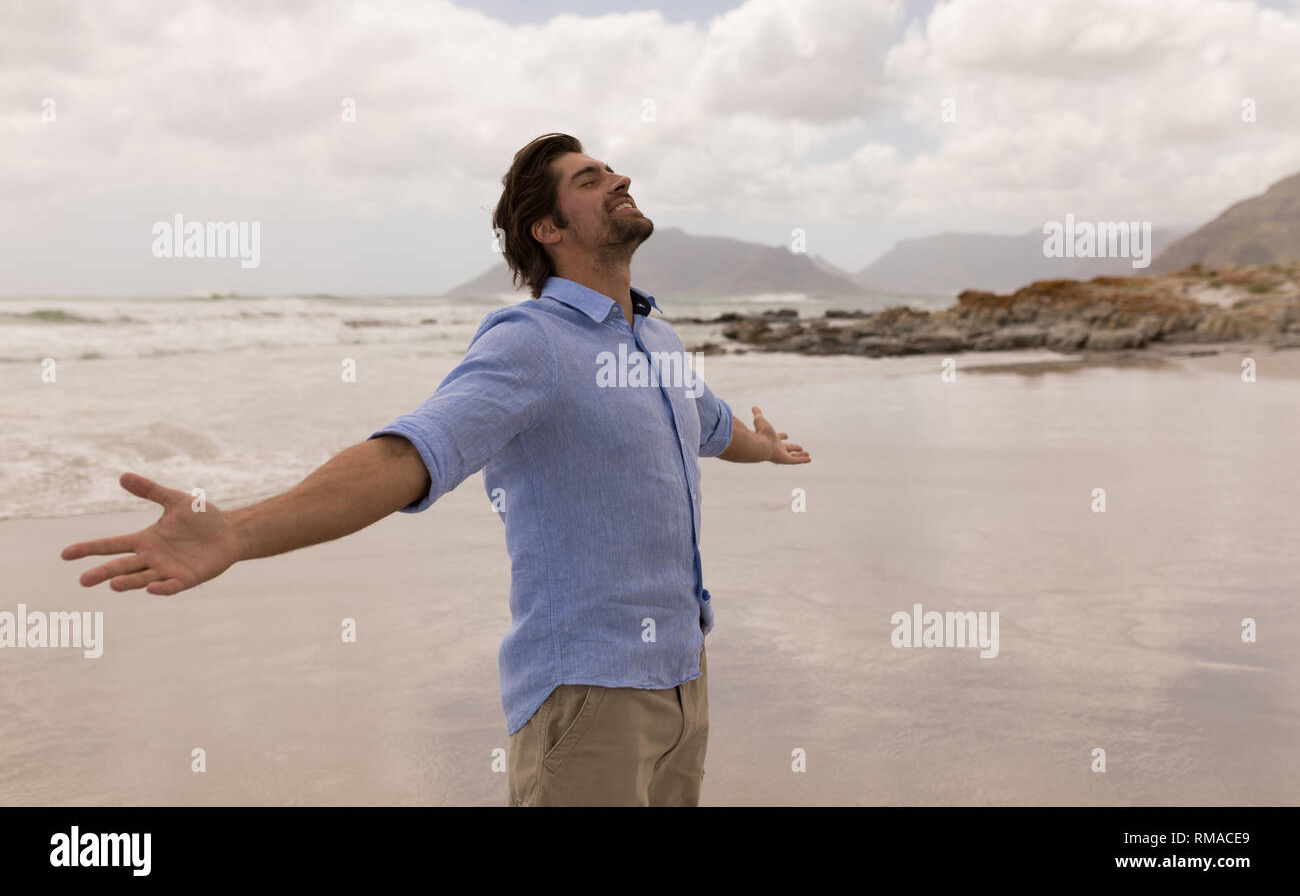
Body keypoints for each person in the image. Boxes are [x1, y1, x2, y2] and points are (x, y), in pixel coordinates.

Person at [61, 132, 811, 806]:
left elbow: (710, 425)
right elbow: (411, 454)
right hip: (591, 692)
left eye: (611, 169)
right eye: (589, 180)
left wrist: (766, 447)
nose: (618, 179)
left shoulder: (660, 342)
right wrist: (240, 533)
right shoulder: (531, 343)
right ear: (547, 230)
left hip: (684, 678)